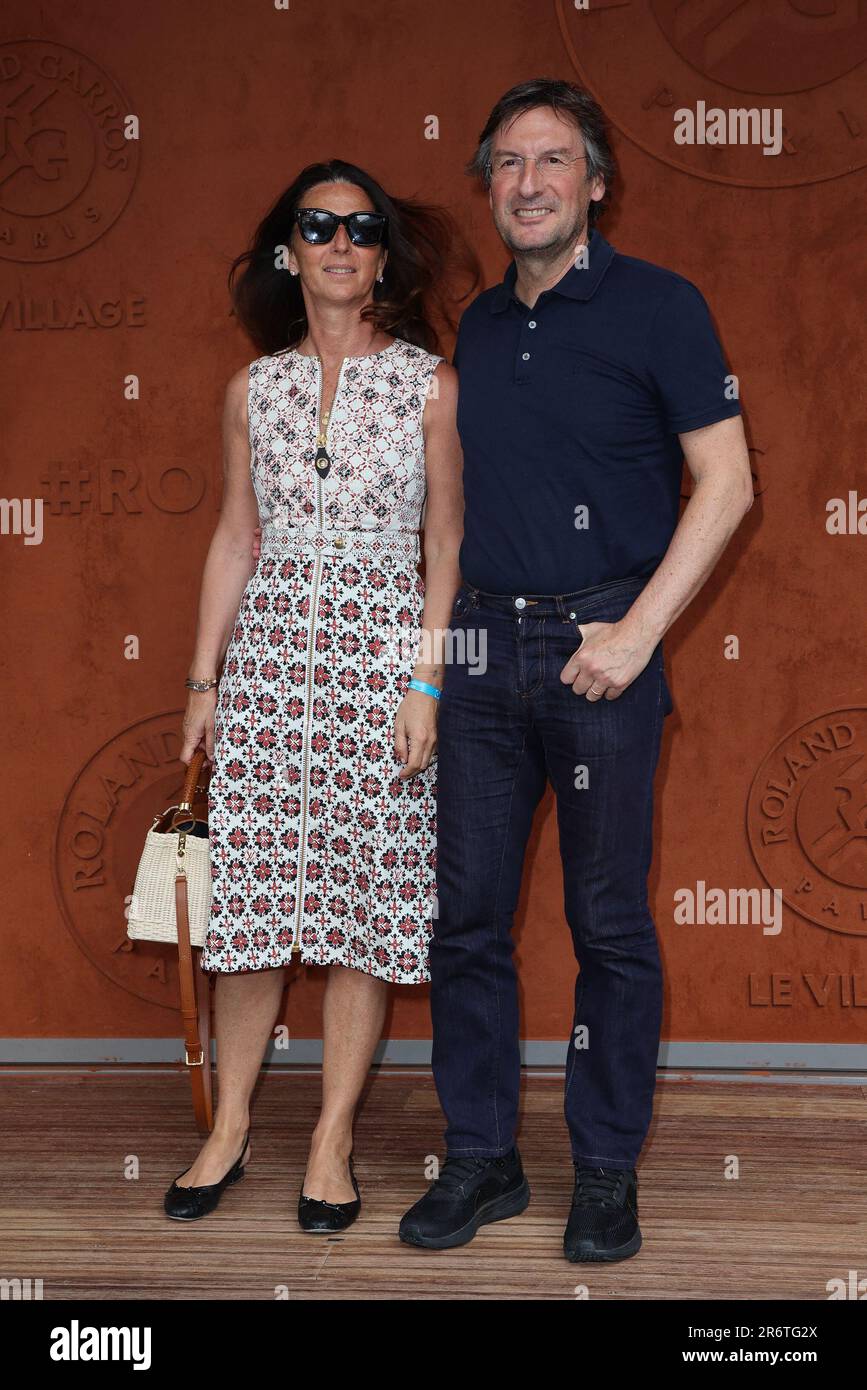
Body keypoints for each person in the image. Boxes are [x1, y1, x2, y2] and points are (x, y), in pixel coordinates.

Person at [398, 79, 753, 1260]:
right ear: (489, 186)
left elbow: (731, 481)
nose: (529, 183)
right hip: (487, 649)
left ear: (597, 182)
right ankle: (485, 1159)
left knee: (608, 926)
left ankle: (604, 1172)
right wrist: (441, 668)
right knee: (467, 922)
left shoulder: (662, 306)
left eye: (553, 161)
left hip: (605, 645)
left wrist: (640, 631)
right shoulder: (483, 328)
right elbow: (453, 522)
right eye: (507, 163)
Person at [164, 160, 466, 1230]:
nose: (342, 242)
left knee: (363, 907)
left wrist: (427, 677)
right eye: (319, 225)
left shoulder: (433, 385)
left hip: (380, 673)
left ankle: (333, 1137)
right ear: (290, 249)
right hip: (267, 673)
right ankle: (232, 1124)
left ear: (384, 253)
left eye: (363, 227)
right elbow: (235, 535)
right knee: (250, 912)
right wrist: (204, 679)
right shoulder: (255, 389)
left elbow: (446, 545)